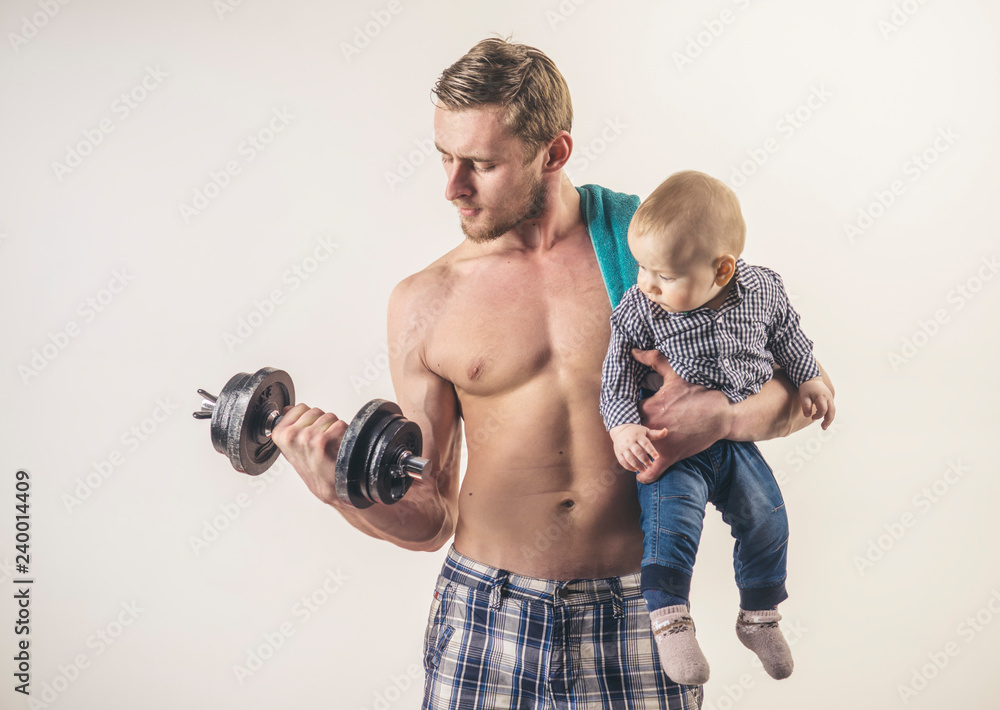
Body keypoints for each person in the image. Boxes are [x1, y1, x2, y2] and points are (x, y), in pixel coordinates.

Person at [270, 38, 834, 710]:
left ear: (555, 153)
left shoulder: (652, 249)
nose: (453, 187)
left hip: (639, 612)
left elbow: (803, 394)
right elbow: (429, 518)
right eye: (445, 157)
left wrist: (723, 417)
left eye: (482, 164)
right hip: (486, 612)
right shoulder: (425, 302)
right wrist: (341, 489)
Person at [600, 170, 835, 685]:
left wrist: (810, 378)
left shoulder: (762, 290)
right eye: (641, 268)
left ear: (722, 269)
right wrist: (622, 429)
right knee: (672, 526)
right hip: (669, 448)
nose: (646, 283)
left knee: (767, 516)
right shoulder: (640, 308)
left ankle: (760, 616)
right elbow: (615, 373)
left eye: (663, 275)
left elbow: (788, 335)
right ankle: (670, 621)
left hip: (734, 440)